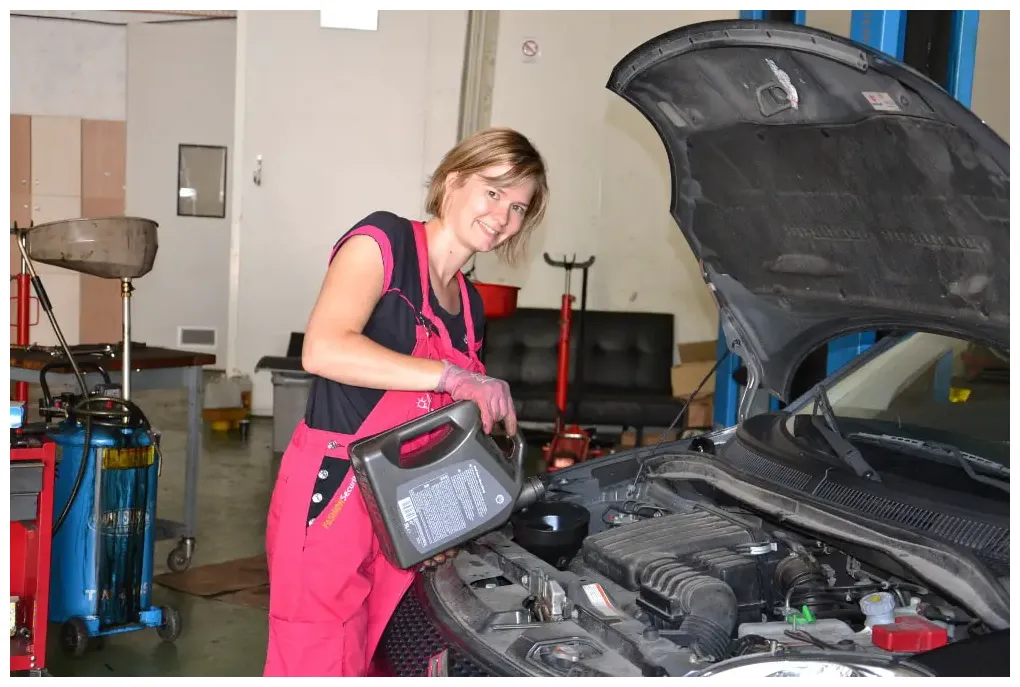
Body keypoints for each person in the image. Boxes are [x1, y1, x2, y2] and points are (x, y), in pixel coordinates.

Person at [263, 127, 549, 677]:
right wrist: (453, 376)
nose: (503, 217)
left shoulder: (469, 306)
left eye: (518, 207)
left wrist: (446, 519)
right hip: (338, 495)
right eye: (493, 192)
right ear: (453, 180)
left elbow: (440, 430)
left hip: (404, 514)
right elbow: (323, 348)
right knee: (316, 659)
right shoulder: (383, 243)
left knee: (382, 659)